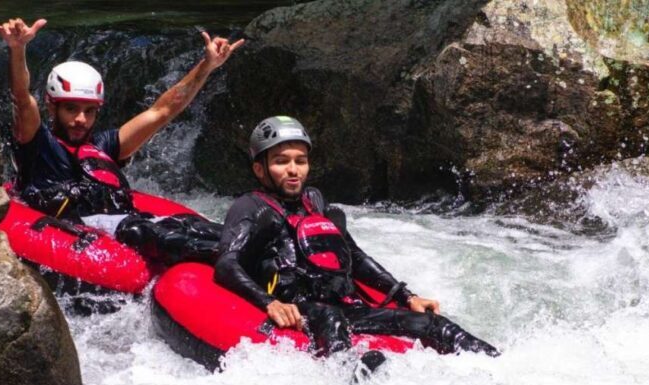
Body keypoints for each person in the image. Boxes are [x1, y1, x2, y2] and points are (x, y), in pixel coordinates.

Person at [214, 116, 500, 371]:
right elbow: (226, 264)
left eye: (300, 161)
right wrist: (271, 303)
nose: (293, 170)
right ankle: (349, 377)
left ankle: (497, 363)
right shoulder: (249, 207)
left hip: (344, 304)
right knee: (331, 316)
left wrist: (406, 297)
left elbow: (353, 255)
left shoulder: (315, 202)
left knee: (433, 324)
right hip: (301, 308)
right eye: (281, 161)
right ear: (260, 169)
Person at [0, 18, 244, 265]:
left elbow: (161, 111)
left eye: (89, 111)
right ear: (52, 106)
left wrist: (206, 66)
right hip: (102, 231)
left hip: (129, 221)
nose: (81, 119)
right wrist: (18, 49)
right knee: (148, 233)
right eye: (71, 109)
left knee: (200, 228)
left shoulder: (105, 146)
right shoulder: (38, 144)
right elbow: (21, 98)